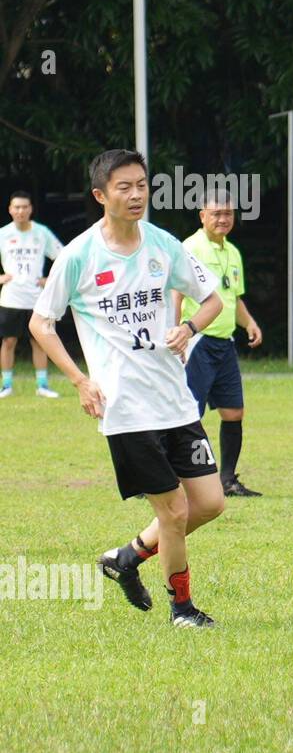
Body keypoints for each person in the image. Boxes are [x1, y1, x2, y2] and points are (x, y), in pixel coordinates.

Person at [29, 149, 227, 628]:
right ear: (101, 195)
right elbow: (41, 322)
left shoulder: (163, 245)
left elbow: (213, 300)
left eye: (142, 185)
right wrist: (79, 379)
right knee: (175, 511)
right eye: (125, 187)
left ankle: (127, 558)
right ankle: (182, 610)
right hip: (126, 410)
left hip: (175, 402)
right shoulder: (78, 256)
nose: (137, 194)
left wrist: (189, 327)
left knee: (209, 504)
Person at [174, 187, 264, 497]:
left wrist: (249, 322)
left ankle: (227, 480)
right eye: (216, 214)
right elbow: (176, 292)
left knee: (233, 411)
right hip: (197, 341)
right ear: (202, 216)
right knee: (186, 414)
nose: (223, 219)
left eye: (228, 214)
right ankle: (170, 478)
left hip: (224, 343)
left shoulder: (233, 252)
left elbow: (232, 296)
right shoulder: (190, 248)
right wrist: (176, 333)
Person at [0, 190, 64, 398]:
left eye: (24, 207)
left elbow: (63, 257)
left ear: (30, 209)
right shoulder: (3, 234)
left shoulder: (41, 232)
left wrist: (50, 280)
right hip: (11, 297)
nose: (20, 211)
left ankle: (42, 385)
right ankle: (6, 385)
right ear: (10, 210)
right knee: (9, 341)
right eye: (16, 207)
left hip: (37, 297)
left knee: (40, 340)